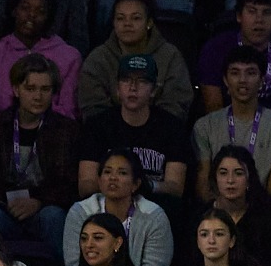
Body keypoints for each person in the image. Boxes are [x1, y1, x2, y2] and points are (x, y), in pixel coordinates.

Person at [0, 55, 79, 266]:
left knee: (55, 216)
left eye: (45, 89)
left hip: (44, 208)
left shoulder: (66, 130)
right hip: (3, 208)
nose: (38, 96)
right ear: (16, 90)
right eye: (31, 88)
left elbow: (70, 184)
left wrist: (38, 201)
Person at [77, 59, 191, 208]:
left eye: (142, 81)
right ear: (117, 89)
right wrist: (118, 188)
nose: (133, 87)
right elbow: (85, 186)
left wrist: (145, 186)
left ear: (154, 90)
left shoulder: (172, 127)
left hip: (154, 207)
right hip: (107, 206)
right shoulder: (97, 125)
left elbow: (175, 187)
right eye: (126, 80)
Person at [193, 48, 271, 202]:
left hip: (261, 212)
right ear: (225, 80)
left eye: (250, 73)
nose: (243, 80)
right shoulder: (205, 126)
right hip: (217, 211)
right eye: (235, 73)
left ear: (262, 80)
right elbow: (203, 188)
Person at [0, 0, 80, 126]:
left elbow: (68, 109)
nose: (32, 14)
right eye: (25, 8)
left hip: (52, 137)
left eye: (40, 11)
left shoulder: (69, 56)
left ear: (49, 17)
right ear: (14, 11)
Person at [77, 0, 193, 120]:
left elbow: (176, 104)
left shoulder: (170, 56)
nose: (127, 24)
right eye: (120, 18)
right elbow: (92, 107)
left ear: (149, 23)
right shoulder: (98, 59)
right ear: (113, 23)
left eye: (136, 18)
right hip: (109, 135)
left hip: (160, 134)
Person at [65, 150, 175, 266]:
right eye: (107, 172)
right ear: (99, 181)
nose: (113, 177)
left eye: (122, 173)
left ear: (136, 184)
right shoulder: (81, 212)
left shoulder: (153, 216)